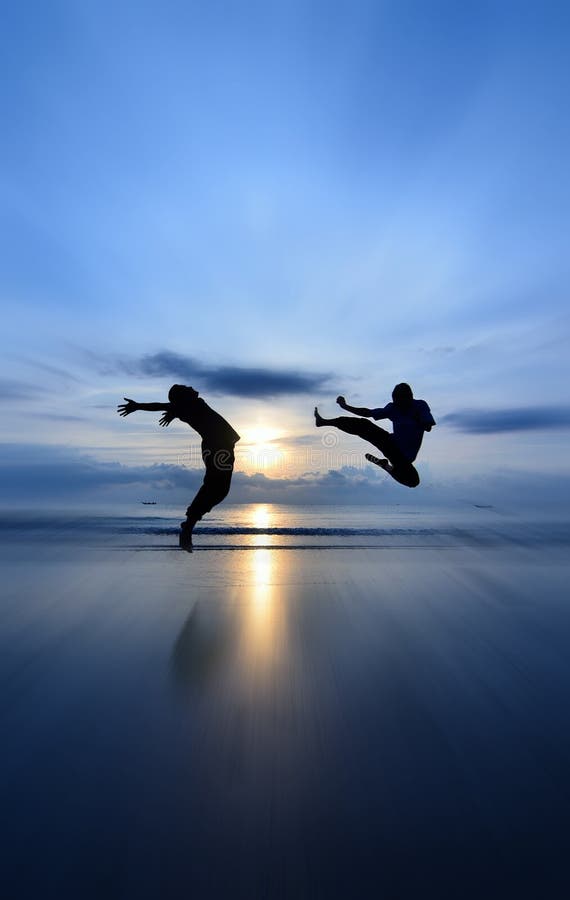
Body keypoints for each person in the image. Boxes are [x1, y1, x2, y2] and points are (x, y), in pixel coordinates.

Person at [118, 385, 240, 550]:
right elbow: (160, 406)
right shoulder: (192, 404)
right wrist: (139, 406)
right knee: (215, 487)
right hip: (217, 447)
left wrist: (173, 414)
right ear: (183, 397)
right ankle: (188, 525)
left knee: (219, 489)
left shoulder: (189, 406)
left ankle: (190, 522)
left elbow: (172, 408)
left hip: (219, 446)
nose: (190, 387)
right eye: (186, 388)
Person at [314, 383, 435, 488]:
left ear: (409, 397)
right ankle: (324, 422)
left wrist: (418, 421)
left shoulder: (420, 406)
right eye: (395, 401)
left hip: (404, 458)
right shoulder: (392, 408)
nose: (397, 404)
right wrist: (345, 406)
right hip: (391, 444)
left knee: (414, 481)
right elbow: (368, 412)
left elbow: (428, 426)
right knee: (364, 425)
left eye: (399, 401)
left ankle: (385, 466)